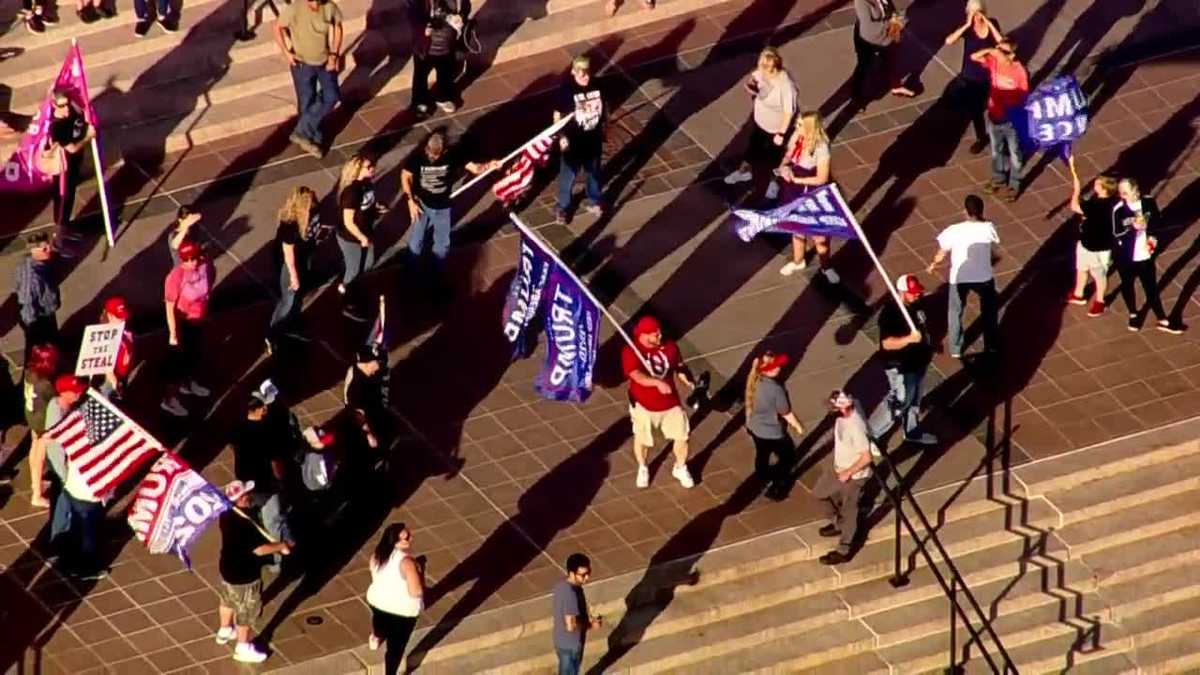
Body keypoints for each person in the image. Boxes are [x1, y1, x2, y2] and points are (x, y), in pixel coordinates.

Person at [401, 131, 497, 284]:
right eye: (429, 153)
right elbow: (405, 175)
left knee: (442, 243)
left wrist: (489, 165)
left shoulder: (454, 155)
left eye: (435, 155)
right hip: (422, 205)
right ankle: (410, 275)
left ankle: (436, 275)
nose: (431, 157)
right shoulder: (418, 157)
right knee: (416, 241)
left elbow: (476, 168)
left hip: (442, 207)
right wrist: (410, 200)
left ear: (444, 150)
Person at [215, 480, 291, 664]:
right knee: (247, 611)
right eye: (247, 493)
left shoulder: (226, 515)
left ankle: (225, 630)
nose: (251, 495)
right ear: (241, 498)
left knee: (227, 599)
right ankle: (243, 646)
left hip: (227, 568)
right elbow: (259, 549)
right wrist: (281, 546)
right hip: (245, 575)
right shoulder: (245, 524)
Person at [621, 316, 699, 489]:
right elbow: (636, 375)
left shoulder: (670, 347)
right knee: (642, 439)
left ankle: (680, 466)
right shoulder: (631, 351)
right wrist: (657, 382)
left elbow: (679, 367)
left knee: (682, 436)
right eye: (655, 334)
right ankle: (642, 466)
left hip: (670, 403)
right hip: (643, 404)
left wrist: (691, 383)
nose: (659, 336)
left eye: (659, 332)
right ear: (644, 335)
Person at [44, 375, 109, 579]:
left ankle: (62, 551)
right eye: (76, 390)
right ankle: (84, 567)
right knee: (88, 531)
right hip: (81, 489)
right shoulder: (65, 418)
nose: (80, 393)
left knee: (72, 521)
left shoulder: (69, 418)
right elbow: (54, 450)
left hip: (72, 483)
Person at [927, 194, 1000, 358]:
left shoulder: (953, 230)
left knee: (955, 311)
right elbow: (994, 241)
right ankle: (991, 345)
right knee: (989, 311)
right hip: (983, 276)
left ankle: (955, 348)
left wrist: (933, 264)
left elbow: (942, 252)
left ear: (965, 211)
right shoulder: (989, 227)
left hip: (959, 277)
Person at [868, 275, 937, 445]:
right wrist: (908, 340)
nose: (917, 295)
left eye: (918, 292)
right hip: (900, 366)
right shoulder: (890, 313)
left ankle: (912, 431)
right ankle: (872, 434)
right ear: (902, 292)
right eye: (912, 293)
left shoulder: (916, 305)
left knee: (914, 400)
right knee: (900, 400)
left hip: (919, 361)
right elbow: (887, 343)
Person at [773, 110, 839, 284]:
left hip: (812, 192)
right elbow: (788, 154)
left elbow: (821, 178)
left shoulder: (821, 147)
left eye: (801, 124)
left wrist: (796, 179)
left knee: (820, 236)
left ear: (810, 128)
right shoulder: (797, 136)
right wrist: (784, 167)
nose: (797, 126)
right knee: (796, 228)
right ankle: (798, 260)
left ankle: (826, 266)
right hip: (794, 186)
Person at [274, 0, 344, 158]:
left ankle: (301, 132)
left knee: (332, 96)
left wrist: (334, 54)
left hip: (325, 60)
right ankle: (314, 139)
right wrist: (286, 52)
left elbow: (338, 27)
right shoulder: (295, 8)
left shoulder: (329, 7)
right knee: (307, 101)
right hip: (302, 63)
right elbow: (277, 27)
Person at [1113, 178, 1182, 334]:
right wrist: (1132, 227)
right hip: (1126, 256)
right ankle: (1133, 313)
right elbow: (1116, 232)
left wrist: (1153, 236)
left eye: (1126, 191)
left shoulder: (1148, 202)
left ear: (1135, 190)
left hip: (1145, 253)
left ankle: (1162, 318)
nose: (1122, 195)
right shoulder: (1119, 209)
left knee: (1150, 286)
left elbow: (1157, 221)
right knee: (1127, 284)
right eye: (1121, 192)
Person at [815, 390, 874, 565]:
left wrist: (848, 473)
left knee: (850, 510)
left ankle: (845, 549)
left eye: (834, 406)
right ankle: (838, 523)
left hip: (854, 476)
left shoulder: (856, 426)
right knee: (819, 494)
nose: (832, 409)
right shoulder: (848, 410)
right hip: (838, 468)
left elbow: (866, 457)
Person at [724, 48, 798, 187]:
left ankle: (772, 183)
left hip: (775, 129)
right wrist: (752, 87)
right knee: (753, 148)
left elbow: (789, 112)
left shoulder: (786, 86)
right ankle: (744, 171)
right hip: (760, 122)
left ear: (774, 68)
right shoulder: (762, 73)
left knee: (772, 156)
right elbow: (754, 78)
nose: (762, 73)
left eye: (765, 70)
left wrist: (781, 133)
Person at [971, 38, 1028, 201]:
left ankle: (1014, 185)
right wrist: (990, 49)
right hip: (994, 116)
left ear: (1012, 55)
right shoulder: (994, 62)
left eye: (1003, 52)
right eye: (999, 49)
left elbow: (1024, 96)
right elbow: (974, 57)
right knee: (997, 151)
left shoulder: (1019, 72)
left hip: (1011, 121)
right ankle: (998, 179)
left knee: (1015, 154)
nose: (999, 53)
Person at [162, 240, 214, 417]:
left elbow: (209, 285)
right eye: (187, 259)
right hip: (183, 322)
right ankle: (170, 399)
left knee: (195, 355)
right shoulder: (176, 276)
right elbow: (169, 306)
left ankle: (189, 383)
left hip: (198, 320)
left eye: (194, 258)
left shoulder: (204, 266)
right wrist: (173, 333)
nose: (191, 262)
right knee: (177, 364)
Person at [943, 0, 1002, 154]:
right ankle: (981, 136)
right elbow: (949, 41)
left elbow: (1001, 42)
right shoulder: (969, 29)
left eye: (978, 12)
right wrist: (966, 25)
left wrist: (989, 24)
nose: (976, 16)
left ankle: (991, 135)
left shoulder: (992, 24)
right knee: (973, 109)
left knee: (989, 107)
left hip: (988, 74)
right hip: (970, 75)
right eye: (972, 13)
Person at [232, 395, 292, 547]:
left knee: (261, 514)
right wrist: (280, 481)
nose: (265, 408)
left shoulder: (238, 428)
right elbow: (275, 461)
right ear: (254, 409)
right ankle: (285, 550)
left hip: (246, 482)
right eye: (261, 406)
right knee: (274, 522)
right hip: (265, 484)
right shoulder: (267, 430)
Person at [555, 55, 608, 225]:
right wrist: (561, 136)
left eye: (587, 73)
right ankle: (563, 207)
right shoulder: (567, 90)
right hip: (573, 141)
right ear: (573, 72)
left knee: (593, 172)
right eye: (581, 74)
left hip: (593, 138)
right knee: (568, 176)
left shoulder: (598, 84)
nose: (585, 77)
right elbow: (557, 115)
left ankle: (594, 200)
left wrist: (606, 124)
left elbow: (605, 105)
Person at [744, 351, 805, 498]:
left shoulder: (753, 380)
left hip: (754, 427)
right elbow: (785, 412)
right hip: (772, 432)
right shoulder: (776, 389)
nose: (779, 368)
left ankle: (762, 475)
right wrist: (798, 427)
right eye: (775, 366)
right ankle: (777, 487)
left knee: (762, 452)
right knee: (788, 458)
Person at [366, 523, 424, 675]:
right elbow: (415, 592)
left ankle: (376, 637)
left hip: (377, 601)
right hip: (402, 612)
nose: (410, 538)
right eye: (406, 538)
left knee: (380, 621)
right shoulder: (407, 563)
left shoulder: (377, 555)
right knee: (395, 647)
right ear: (396, 542)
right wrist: (420, 572)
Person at [270, 186, 322, 349]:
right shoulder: (290, 225)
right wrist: (293, 276)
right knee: (288, 298)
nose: (313, 204)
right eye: (310, 202)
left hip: (305, 256)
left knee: (298, 295)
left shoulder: (314, 211)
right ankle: (274, 332)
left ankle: (292, 321)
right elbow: (288, 255)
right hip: (290, 263)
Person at [1067, 159, 1117, 318]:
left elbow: (1075, 207)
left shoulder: (1097, 206)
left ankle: (1100, 301)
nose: (1094, 186)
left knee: (1099, 274)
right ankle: (1078, 293)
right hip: (1087, 242)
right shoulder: (1108, 202)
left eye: (1097, 184)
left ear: (1103, 189)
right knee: (1081, 268)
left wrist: (1076, 190)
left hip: (1097, 247)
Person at [337, 154, 385, 320]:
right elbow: (348, 221)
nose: (372, 169)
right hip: (351, 238)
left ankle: (352, 287)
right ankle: (347, 300)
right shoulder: (352, 192)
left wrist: (376, 208)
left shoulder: (367, 185)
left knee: (368, 263)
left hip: (366, 232)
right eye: (368, 167)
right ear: (357, 170)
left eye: (372, 165)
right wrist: (362, 237)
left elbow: (367, 205)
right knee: (354, 269)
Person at [408, 0, 472, 115]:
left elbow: (465, 7)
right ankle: (419, 100)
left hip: (448, 44)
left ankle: (443, 96)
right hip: (425, 47)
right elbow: (413, 15)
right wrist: (423, 28)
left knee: (445, 73)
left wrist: (461, 18)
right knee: (421, 75)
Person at [46, 90, 95, 233]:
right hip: (63, 168)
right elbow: (72, 149)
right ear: (54, 106)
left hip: (74, 164)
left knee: (71, 194)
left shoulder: (72, 110)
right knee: (63, 198)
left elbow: (82, 115)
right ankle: (59, 230)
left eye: (67, 104)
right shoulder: (56, 127)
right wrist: (88, 137)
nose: (66, 108)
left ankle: (65, 225)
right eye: (61, 106)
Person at [849, 0, 913, 102]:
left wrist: (897, 18)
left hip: (885, 35)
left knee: (892, 59)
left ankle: (896, 86)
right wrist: (891, 23)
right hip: (867, 39)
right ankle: (856, 96)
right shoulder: (861, 2)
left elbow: (891, 10)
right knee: (864, 65)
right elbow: (868, 27)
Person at [24, 344, 60, 508]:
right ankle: (37, 494)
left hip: (32, 415)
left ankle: (34, 482)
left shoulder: (30, 373)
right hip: (43, 422)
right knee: (40, 456)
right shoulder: (46, 385)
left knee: (34, 448)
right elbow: (55, 400)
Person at [552, 553, 600, 675]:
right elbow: (571, 625)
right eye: (583, 575)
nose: (587, 577)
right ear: (572, 573)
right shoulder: (571, 594)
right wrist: (591, 625)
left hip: (561, 639)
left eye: (589, 572)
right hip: (571, 644)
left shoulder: (561, 585)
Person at [15, 232, 60, 358]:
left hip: (47, 312)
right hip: (40, 320)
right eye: (44, 248)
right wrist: (32, 328)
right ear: (34, 251)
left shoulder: (42, 264)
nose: (49, 249)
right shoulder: (31, 277)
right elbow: (26, 302)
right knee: (39, 353)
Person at [345, 346, 387, 454]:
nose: (379, 364)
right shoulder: (356, 390)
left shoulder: (357, 369)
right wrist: (369, 435)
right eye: (376, 361)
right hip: (363, 419)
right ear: (369, 363)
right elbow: (358, 416)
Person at [96, 297, 135, 400]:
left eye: (124, 316)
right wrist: (111, 377)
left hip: (123, 373)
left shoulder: (122, 329)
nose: (123, 319)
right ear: (110, 316)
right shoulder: (105, 335)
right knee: (107, 396)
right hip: (111, 378)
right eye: (119, 317)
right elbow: (103, 358)